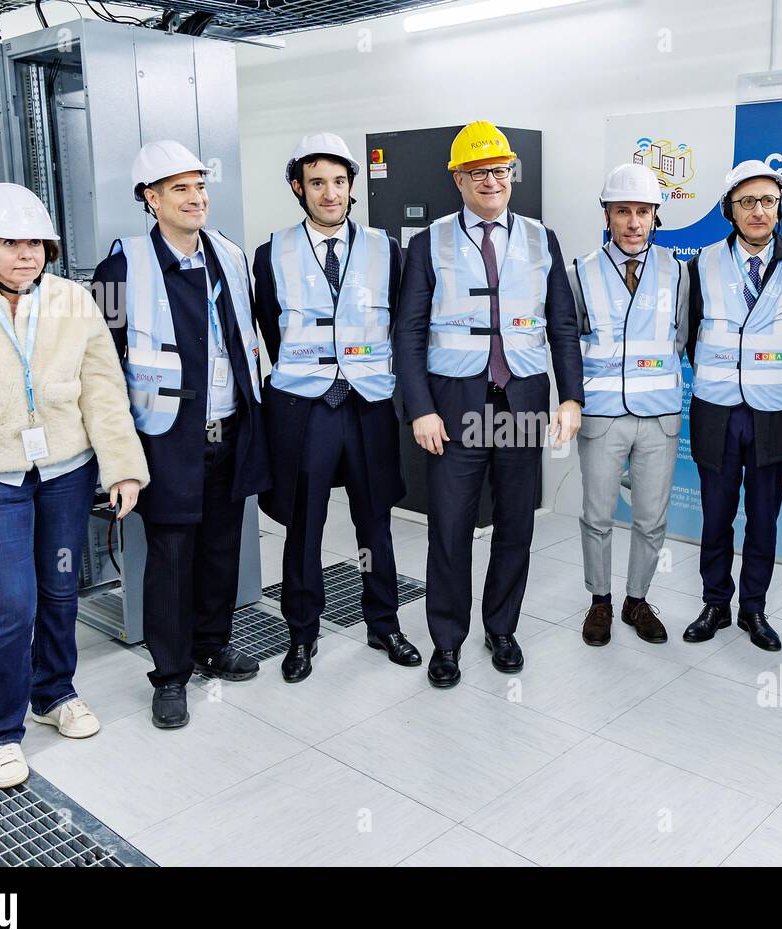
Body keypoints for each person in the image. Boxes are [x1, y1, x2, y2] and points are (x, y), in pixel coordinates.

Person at [0, 183, 148, 788]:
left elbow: (102, 387)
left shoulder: (73, 300)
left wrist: (122, 465)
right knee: (13, 603)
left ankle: (54, 692)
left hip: (66, 471)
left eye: (36, 243)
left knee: (62, 590)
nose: (26, 254)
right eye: (10, 243)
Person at [394, 121, 584, 688]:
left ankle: (502, 627)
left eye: (501, 171)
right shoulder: (430, 242)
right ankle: (446, 641)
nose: (493, 181)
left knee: (515, 524)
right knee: (449, 527)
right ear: (458, 179)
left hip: (521, 400)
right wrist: (420, 408)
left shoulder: (539, 237)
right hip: (454, 408)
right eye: (479, 173)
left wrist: (570, 395)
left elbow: (563, 324)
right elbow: (409, 332)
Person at [93, 141, 270, 729]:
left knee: (222, 549)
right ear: (151, 199)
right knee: (170, 558)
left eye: (200, 187)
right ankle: (169, 675)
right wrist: (117, 454)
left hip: (231, 427)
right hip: (166, 437)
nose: (196, 199)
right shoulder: (123, 267)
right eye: (179, 189)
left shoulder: (230, 255)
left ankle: (211, 646)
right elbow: (102, 363)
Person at [252, 132, 420, 683]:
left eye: (340, 182)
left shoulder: (385, 249)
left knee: (376, 521)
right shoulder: (270, 252)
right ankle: (302, 634)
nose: (330, 193)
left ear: (352, 187)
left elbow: (399, 321)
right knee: (305, 524)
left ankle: (385, 623)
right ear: (299, 188)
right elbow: (270, 326)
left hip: (368, 403)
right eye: (317, 182)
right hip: (305, 408)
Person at [682, 160, 782, 651]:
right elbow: (690, 332)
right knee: (715, 515)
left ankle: (753, 609)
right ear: (728, 210)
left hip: (775, 410)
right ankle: (715, 602)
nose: (759, 211)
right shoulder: (701, 262)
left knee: (764, 517)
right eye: (747, 202)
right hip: (715, 408)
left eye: (768, 201)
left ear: (779, 208)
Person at [571, 164, 689, 646]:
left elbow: (680, 337)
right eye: (623, 212)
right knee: (597, 515)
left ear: (655, 216)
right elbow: (571, 338)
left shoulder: (678, 271)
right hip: (601, 415)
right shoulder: (581, 271)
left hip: (658, 414)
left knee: (651, 517)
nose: (634, 222)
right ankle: (599, 601)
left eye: (643, 212)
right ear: (607, 215)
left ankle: (636, 599)